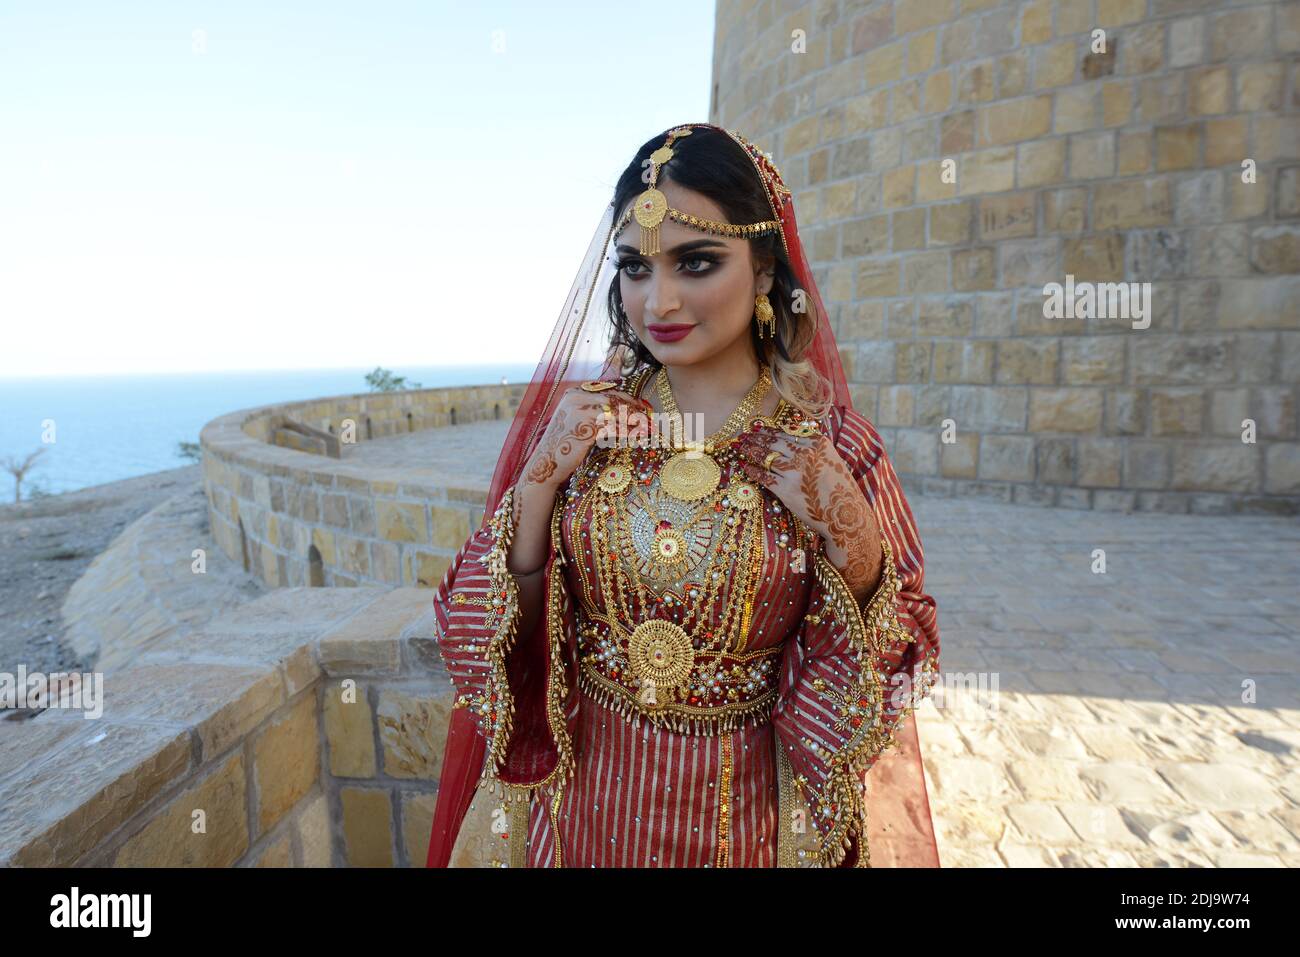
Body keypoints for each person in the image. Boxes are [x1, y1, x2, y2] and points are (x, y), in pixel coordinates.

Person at [426, 124, 940, 868]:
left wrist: (848, 530)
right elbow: (487, 633)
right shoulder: (587, 426)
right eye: (635, 267)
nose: (657, 299)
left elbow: (908, 645)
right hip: (574, 810)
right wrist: (539, 480)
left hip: (746, 823)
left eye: (696, 262)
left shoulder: (834, 447)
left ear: (765, 269)